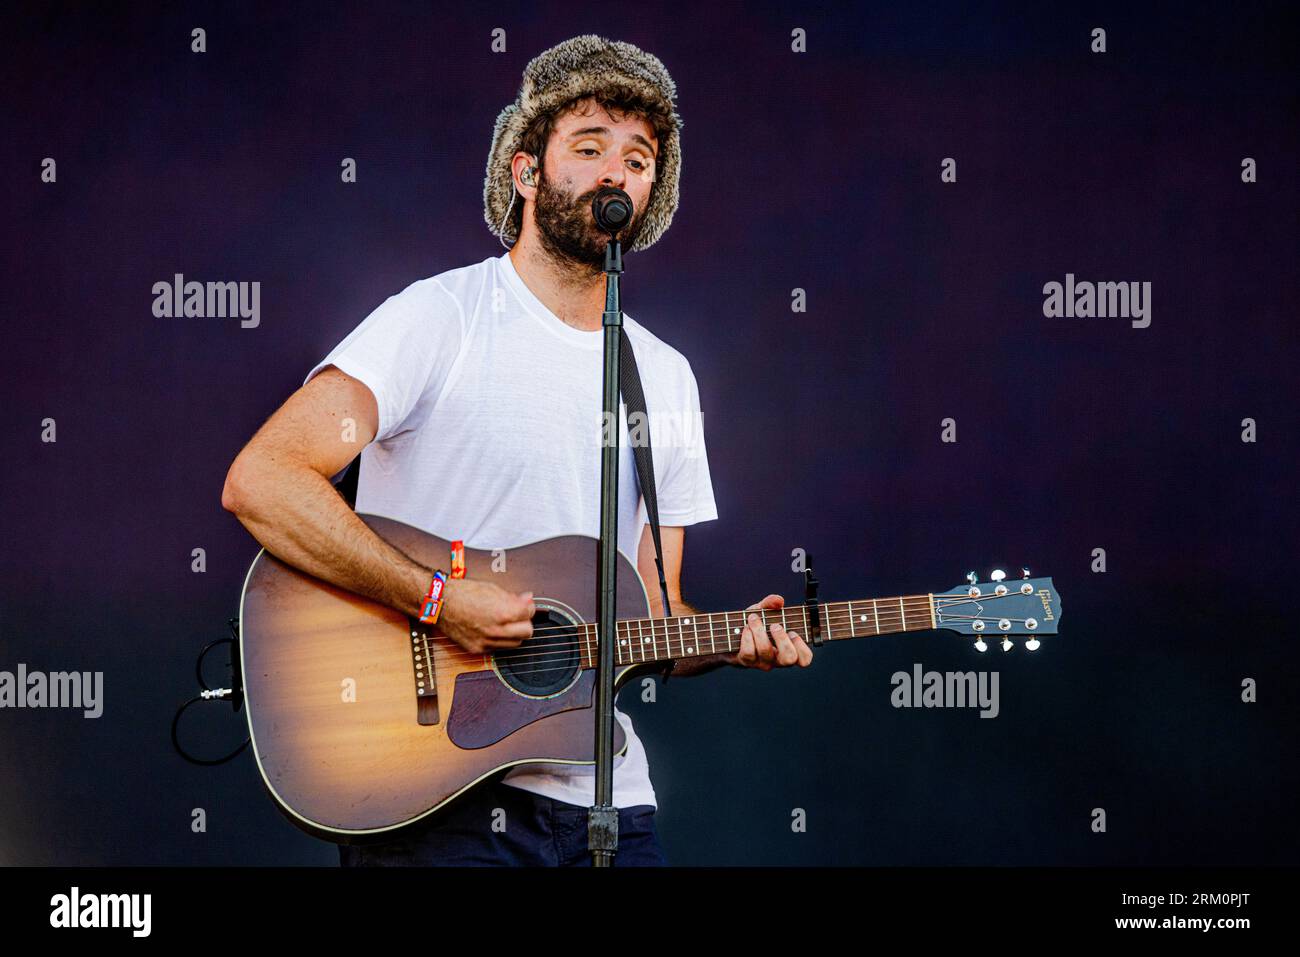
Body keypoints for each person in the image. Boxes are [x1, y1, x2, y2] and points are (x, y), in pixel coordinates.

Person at [220, 34, 813, 867]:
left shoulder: (664, 378)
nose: (616, 173)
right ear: (527, 171)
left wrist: (732, 638)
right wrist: (436, 600)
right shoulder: (441, 320)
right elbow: (263, 479)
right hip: (434, 794)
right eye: (589, 147)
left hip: (607, 803)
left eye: (638, 159)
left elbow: (653, 614)